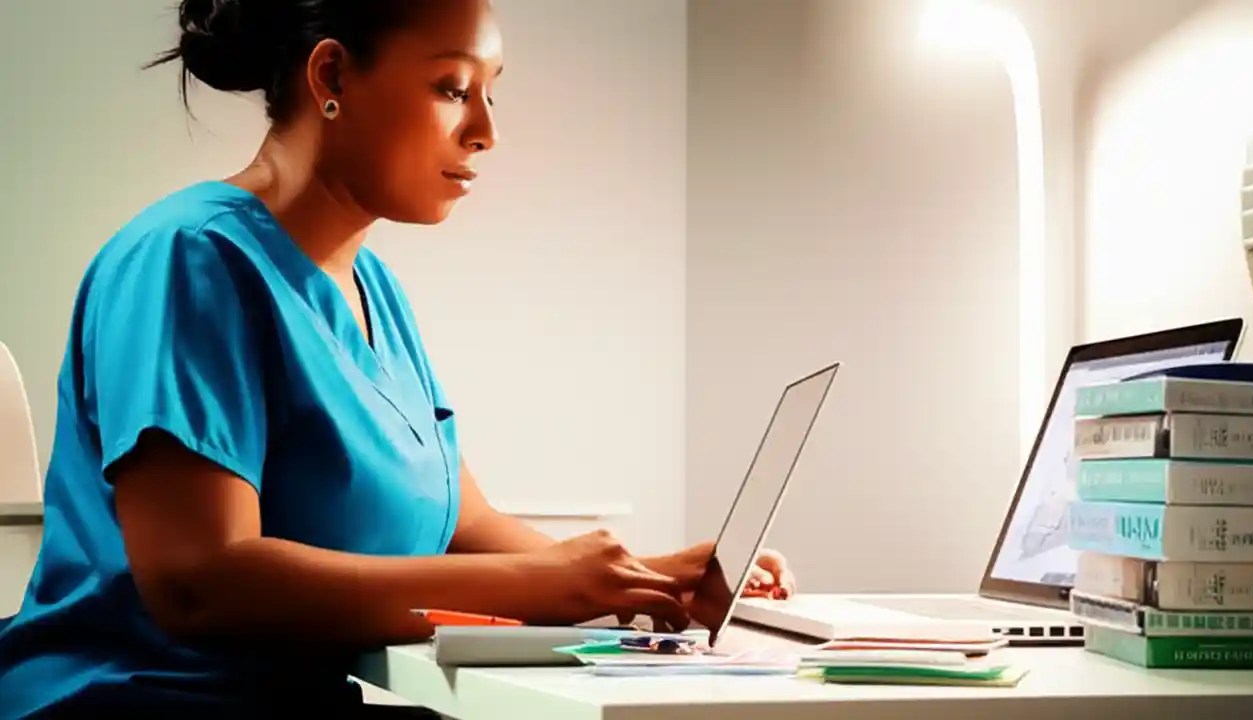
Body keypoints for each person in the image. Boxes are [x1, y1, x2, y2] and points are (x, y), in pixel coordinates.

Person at [0, 1, 795, 717]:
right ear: (333, 75)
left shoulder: (372, 288)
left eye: (492, 91)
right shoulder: (188, 260)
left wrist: (647, 582)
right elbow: (200, 582)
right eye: (453, 88)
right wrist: (539, 588)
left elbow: (459, 523)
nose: (485, 130)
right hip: (135, 704)